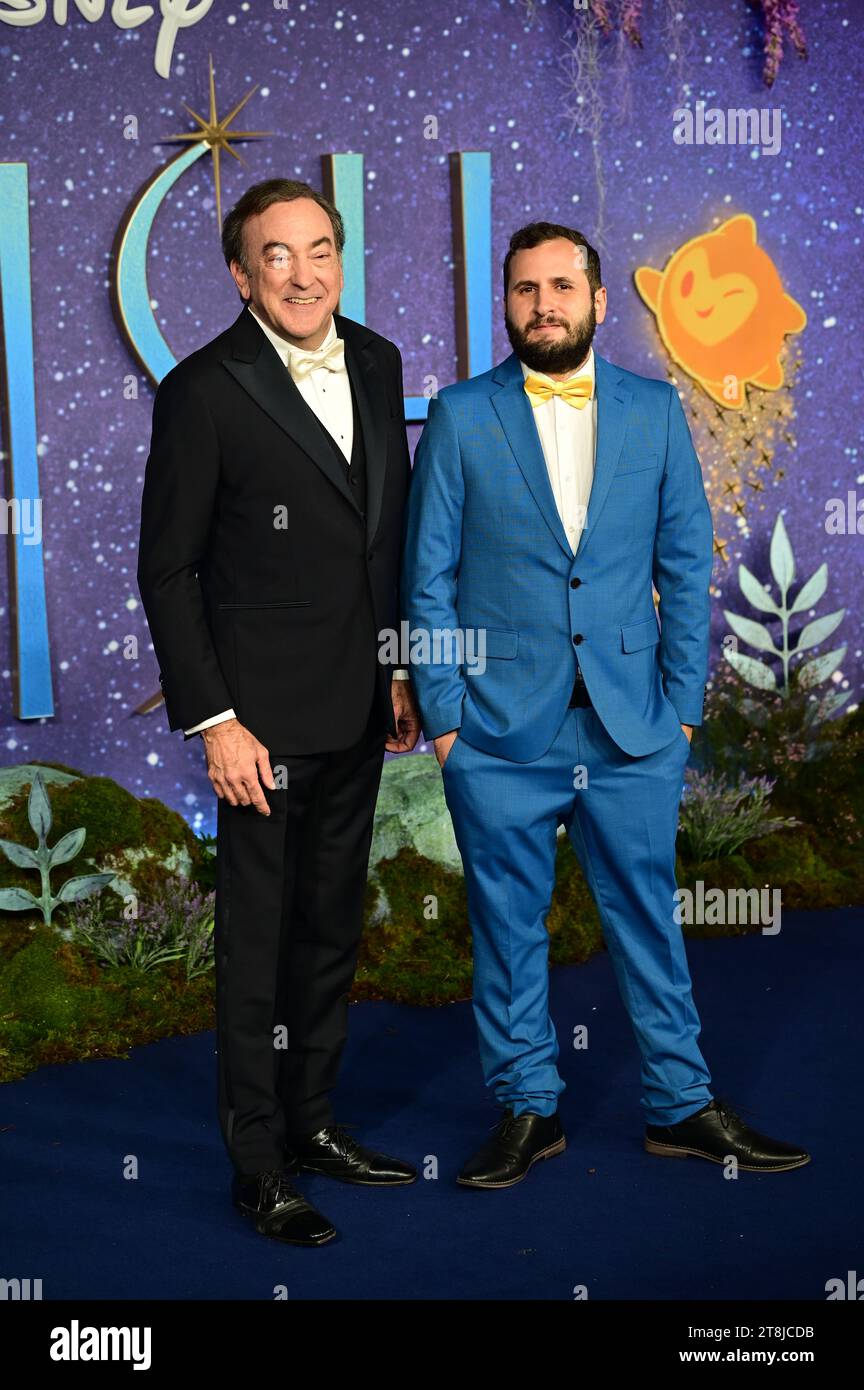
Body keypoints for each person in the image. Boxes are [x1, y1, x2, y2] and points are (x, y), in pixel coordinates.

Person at [401, 221, 809, 1188]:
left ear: (594, 298)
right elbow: (428, 580)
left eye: (560, 286)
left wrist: (680, 712)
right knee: (508, 927)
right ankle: (527, 1110)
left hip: (634, 726)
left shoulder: (656, 410)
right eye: (524, 289)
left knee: (648, 921)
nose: (544, 304)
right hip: (499, 729)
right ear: (505, 305)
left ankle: (680, 1105)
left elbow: (683, 563)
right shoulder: (459, 416)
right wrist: (450, 718)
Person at [137, 178, 421, 1244]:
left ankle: (313, 1124)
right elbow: (167, 570)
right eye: (277, 256)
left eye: (320, 251)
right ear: (239, 273)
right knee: (256, 949)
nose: (303, 275)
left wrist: (396, 668)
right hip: (257, 728)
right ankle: (258, 1165)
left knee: (329, 935)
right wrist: (216, 721)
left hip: (358, 707)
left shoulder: (381, 359)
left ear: (341, 256)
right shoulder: (204, 388)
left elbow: (378, 540)